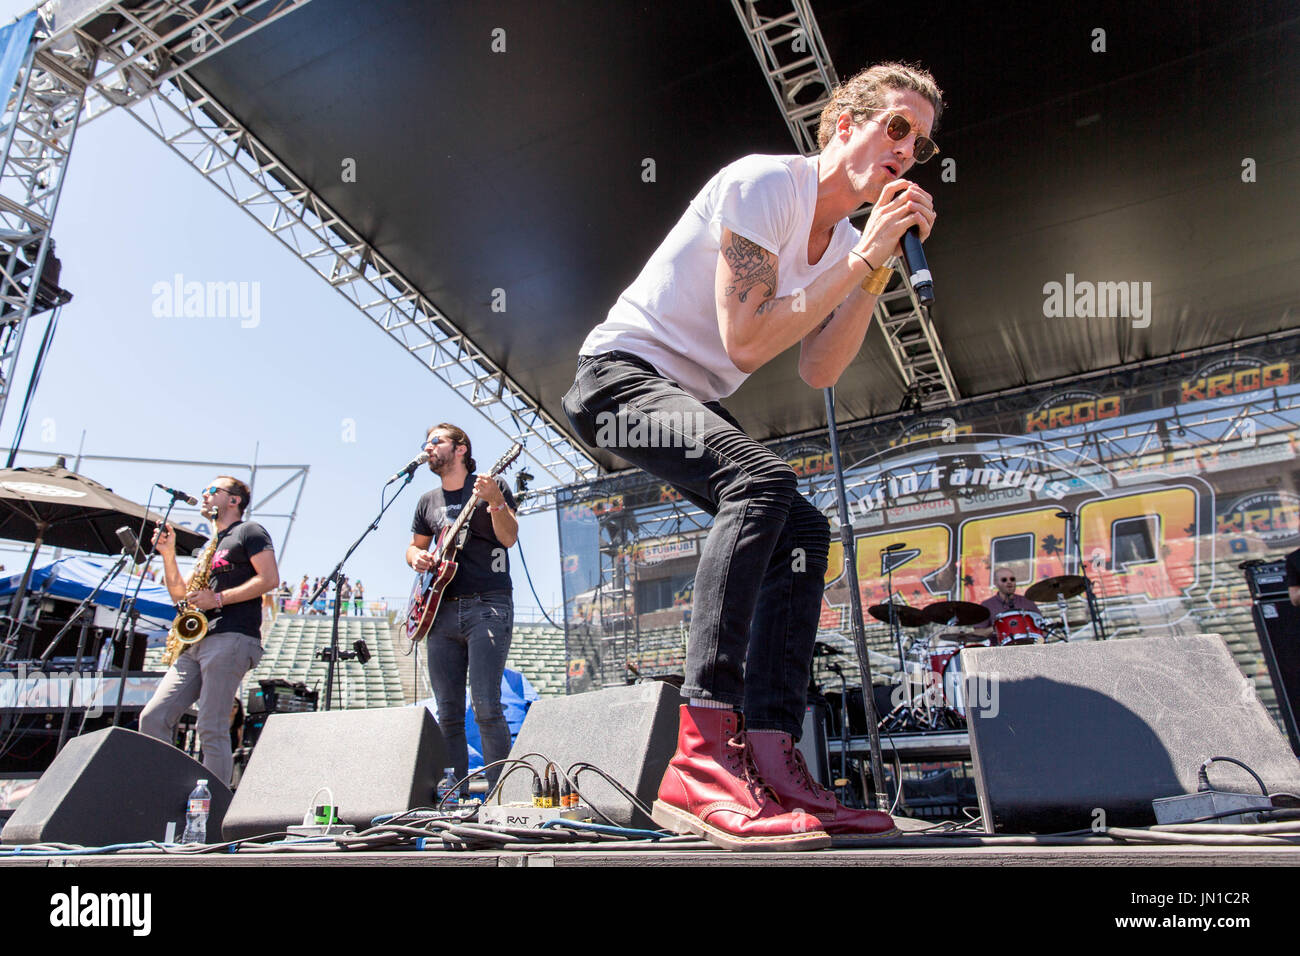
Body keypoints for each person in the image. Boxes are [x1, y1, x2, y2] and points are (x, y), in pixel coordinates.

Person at [563, 63, 941, 849]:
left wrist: (871, 269)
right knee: (760, 481)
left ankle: (771, 756)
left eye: (922, 144)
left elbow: (819, 369)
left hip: (688, 395)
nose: (908, 151)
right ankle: (699, 755)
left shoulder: (848, 242)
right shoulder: (766, 185)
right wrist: (863, 259)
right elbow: (746, 339)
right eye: (898, 127)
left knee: (803, 529)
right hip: (620, 378)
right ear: (845, 123)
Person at [140, 477, 277, 788]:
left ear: (234, 500)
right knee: (153, 718)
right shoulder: (208, 546)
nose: (204, 494)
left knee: (211, 726)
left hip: (232, 635)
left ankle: (212, 807)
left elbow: (269, 579)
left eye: (213, 490)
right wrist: (168, 554)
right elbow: (180, 595)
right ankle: (164, 794)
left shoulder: (249, 531)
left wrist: (217, 599)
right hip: (197, 642)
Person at [405, 424, 517, 795]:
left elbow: (509, 537)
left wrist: (495, 500)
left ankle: (501, 795)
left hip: (488, 604)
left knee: (486, 705)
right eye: (426, 442)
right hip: (439, 611)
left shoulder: (491, 486)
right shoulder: (427, 501)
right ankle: (455, 795)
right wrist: (416, 557)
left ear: (461, 448)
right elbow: (414, 546)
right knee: (448, 711)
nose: (428, 447)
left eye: (436, 441)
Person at [970, 567, 1043, 641]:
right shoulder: (987, 605)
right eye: (1004, 580)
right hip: (999, 646)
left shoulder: (1027, 602)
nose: (1009, 582)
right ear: (996, 583)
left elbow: (1042, 626)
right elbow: (978, 633)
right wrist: (996, 627)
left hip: (1028, 644)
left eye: (1012, 579)